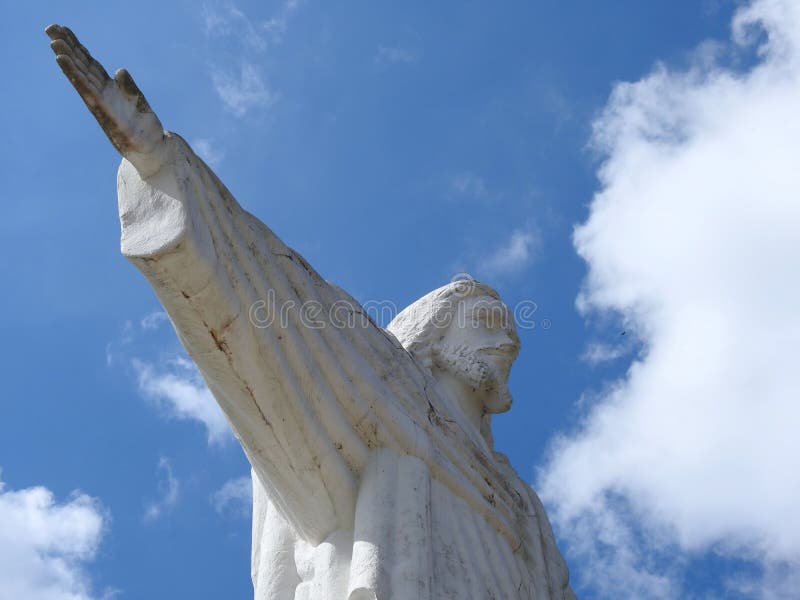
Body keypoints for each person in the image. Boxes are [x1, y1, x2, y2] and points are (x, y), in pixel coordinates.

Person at [46, 24, 575, 600]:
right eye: (488, 322)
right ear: (435, 331)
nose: (508, 343)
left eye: (511, 333)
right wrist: (164, 172)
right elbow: (272, 307)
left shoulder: (523, 506)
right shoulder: (384, 389)